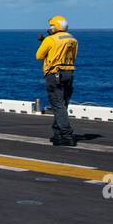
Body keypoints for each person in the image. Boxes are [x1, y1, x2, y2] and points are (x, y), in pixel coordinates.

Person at [36, 15, 78, 146]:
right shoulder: (73, 39)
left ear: (56, 26)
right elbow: (73, 56)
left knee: (57, 105)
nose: (50, 28)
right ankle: (58, 133)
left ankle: (66, 135)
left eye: (51, 26)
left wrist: (44, 42)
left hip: (54, 74)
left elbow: (39, 56)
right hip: (69, 73)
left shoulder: (50, 39)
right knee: (62, 104)